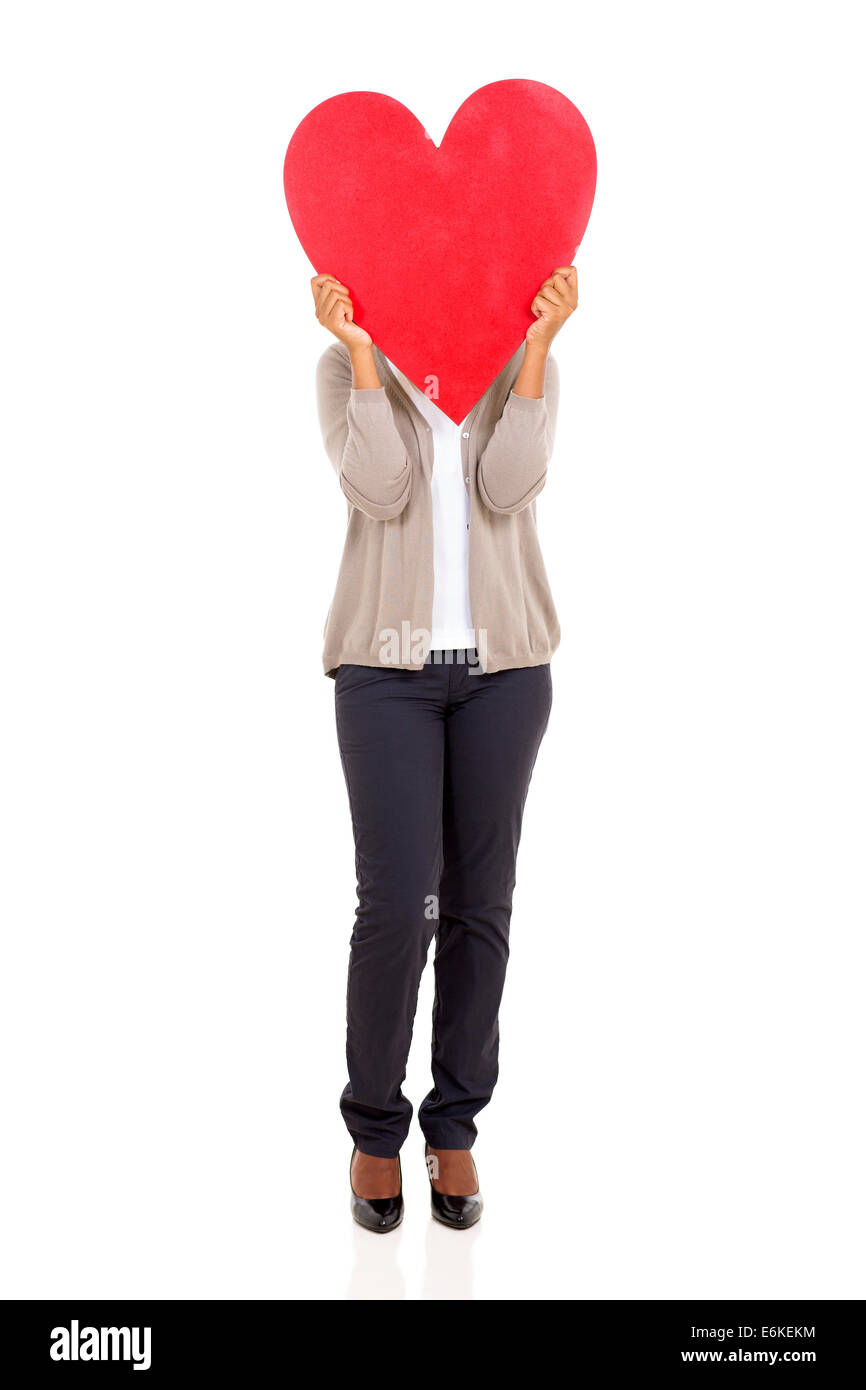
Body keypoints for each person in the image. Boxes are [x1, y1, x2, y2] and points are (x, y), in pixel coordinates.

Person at [312, 265, 578, 1230]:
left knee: (480, 903)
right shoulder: (346, 371)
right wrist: (364, 356)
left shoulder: (515, 367)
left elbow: (513, 485)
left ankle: (454, 1127)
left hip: (507, 671)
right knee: (396, 907)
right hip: (385, 674)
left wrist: (538, 349)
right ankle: (375, 1133)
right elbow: (379, 490)